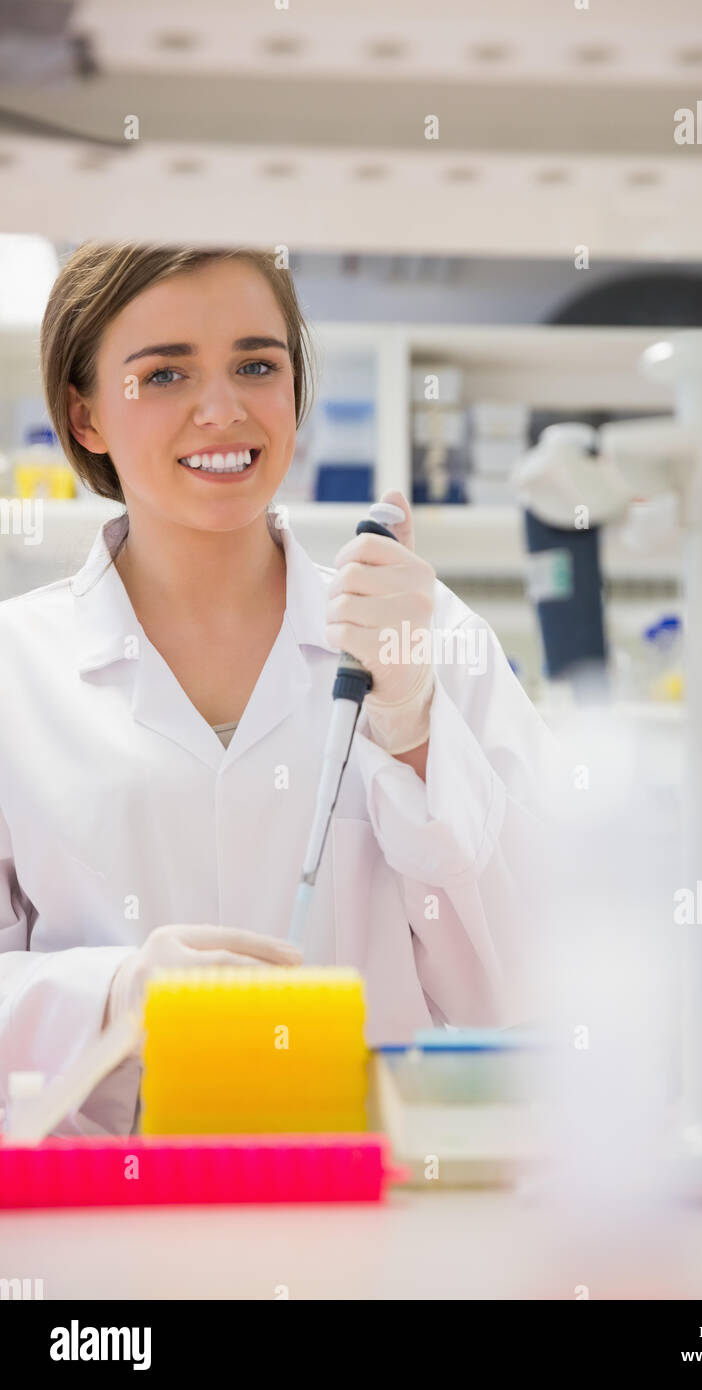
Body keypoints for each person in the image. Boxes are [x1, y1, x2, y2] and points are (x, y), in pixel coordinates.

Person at [0, 243, 566, 1136]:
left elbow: (531, 980)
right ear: (86, 416)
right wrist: (114, 994)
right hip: (103, 1227)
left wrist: (414, 730)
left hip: (368, 1221)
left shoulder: (428, 636)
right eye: (165, 374)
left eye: (257, 365)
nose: (221, 410)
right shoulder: (14, 670)